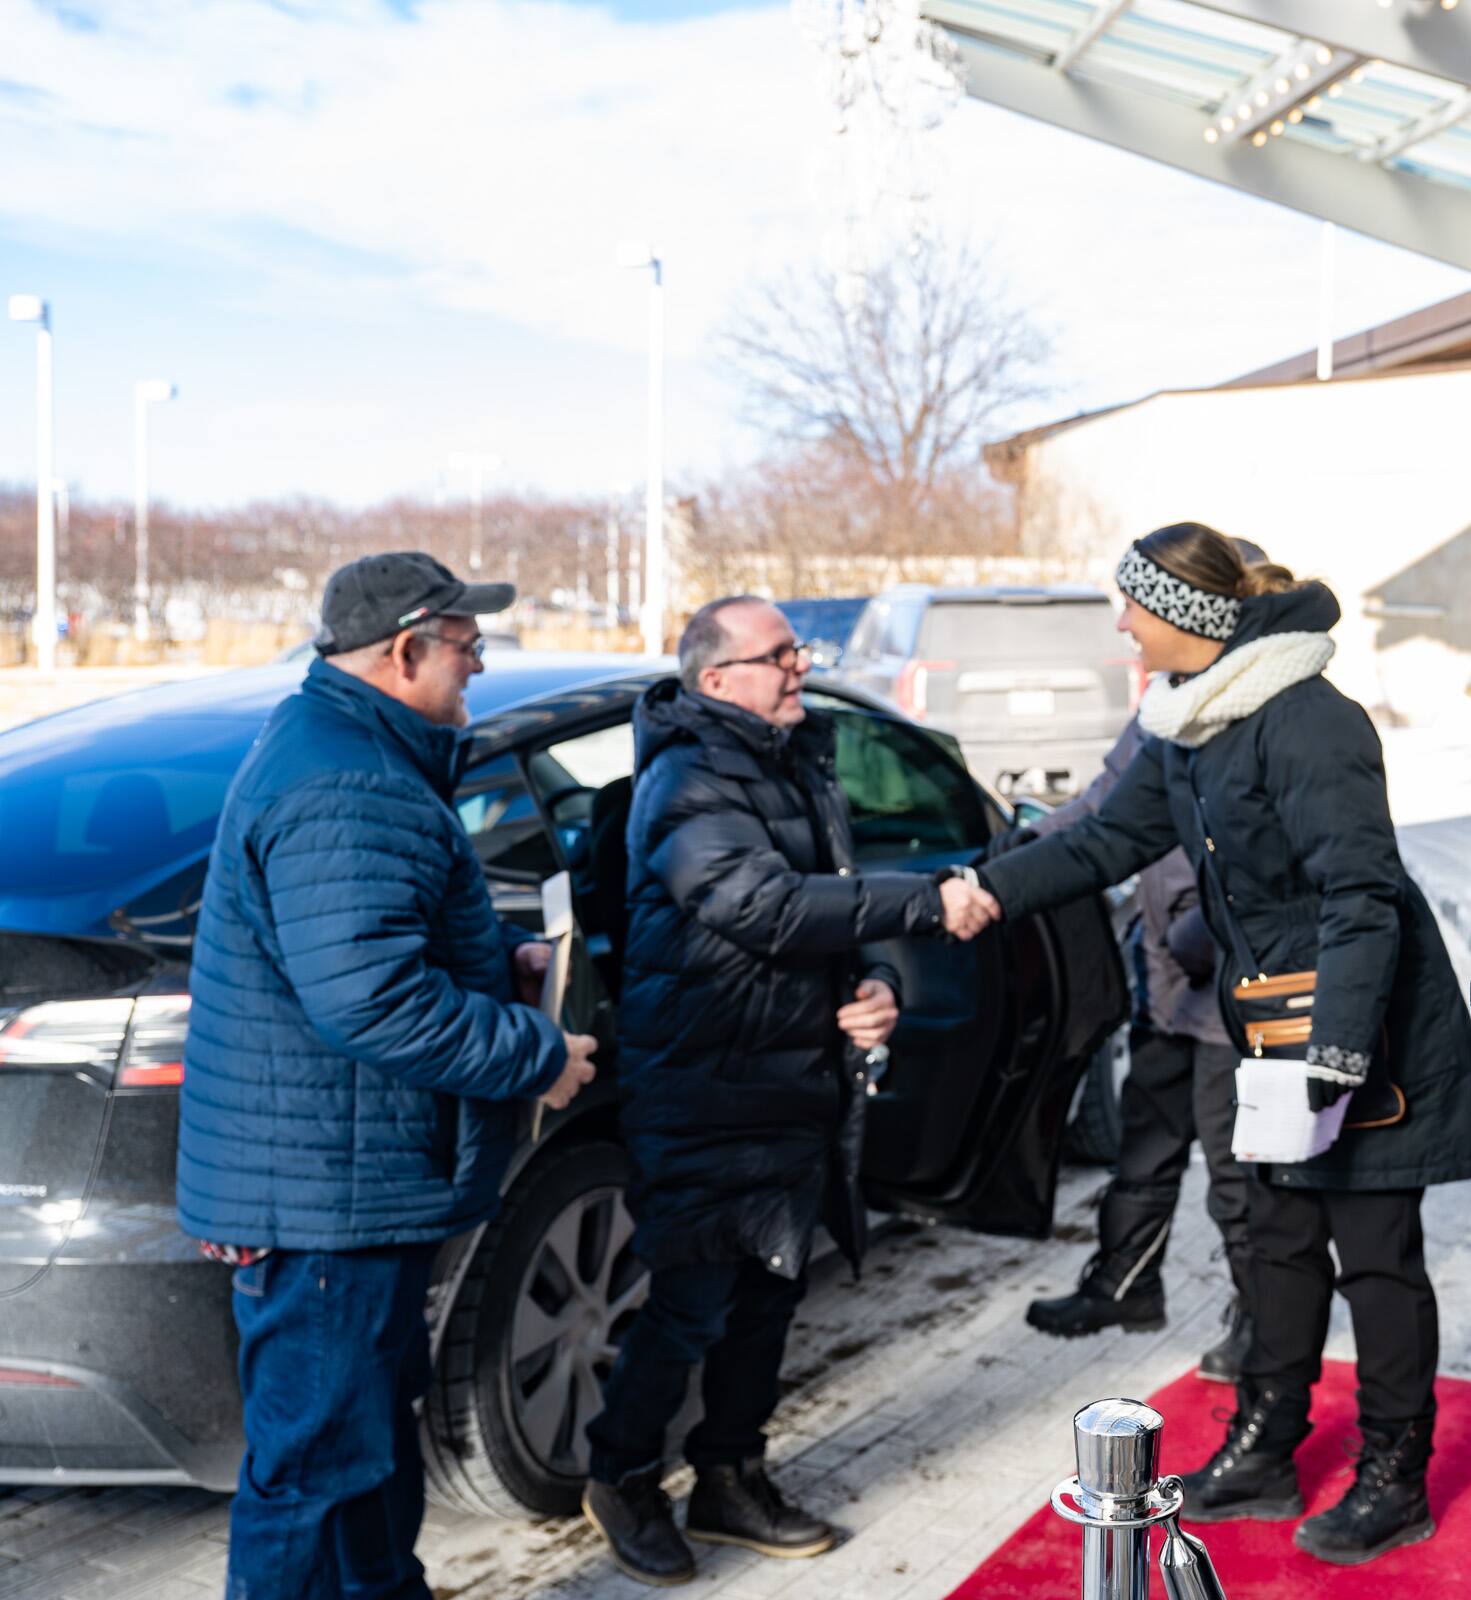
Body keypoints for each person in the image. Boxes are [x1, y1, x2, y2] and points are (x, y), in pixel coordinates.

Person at [944, 523, 1471, 1568]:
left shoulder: (1305, 720)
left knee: (1376, 1258)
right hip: (1271, 1022)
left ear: (1188, 615)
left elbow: (1361, 890)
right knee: (1278, 1238)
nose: (1121, 622)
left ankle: (1394, 1474)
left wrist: (1336, 1053)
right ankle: (1265, 1446)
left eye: (1134, 604)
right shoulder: (1190, 725)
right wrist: (987, 892)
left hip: (1359, 1017)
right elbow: (1109, 840)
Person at [179, 552, 599, 1600]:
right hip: (330, 1199)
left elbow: (364, 949)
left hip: (342, 1179)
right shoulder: (349, 781)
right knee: (317, 1471)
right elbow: (372, 999)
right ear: (405, 650)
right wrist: (536, 1054)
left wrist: (499, 967)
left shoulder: (349, 751)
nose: (478, 669)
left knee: (361, 1454)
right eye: (468, 648)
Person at [578, 595, 955, 1585]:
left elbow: (828, 898)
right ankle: (619, 1474)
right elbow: (760, 904)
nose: (800, 665)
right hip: (708, 1085)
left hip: (794, 1079)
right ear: (715, 680)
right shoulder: (688, 779)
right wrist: (931, 901)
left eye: (800, 648)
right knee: (695, 1302)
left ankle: (730, 1476)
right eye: (778, 653)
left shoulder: (794, 762)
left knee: (771, 1291)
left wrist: (871, 985)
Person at [1013, 541, 1273, 1382]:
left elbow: (1285, 858)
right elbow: (1099, 813)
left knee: (1236, 1172)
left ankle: (1259, 1322)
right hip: (1164, 969)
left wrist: (1214, 929)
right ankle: (1124, 1283)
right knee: (1146, 1137)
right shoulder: (1162, 706)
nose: (1132, 628)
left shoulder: (1268, 706)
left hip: (1229, 987)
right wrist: (1007, 867)